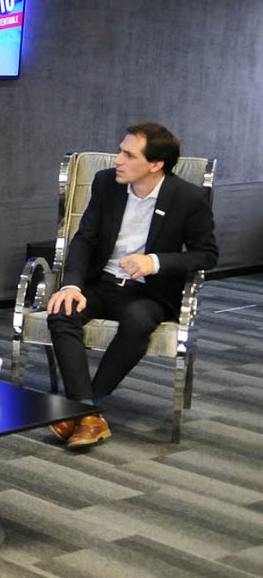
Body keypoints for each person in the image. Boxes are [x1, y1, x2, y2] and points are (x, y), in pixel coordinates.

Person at [46, 122, 217, 449]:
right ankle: (87, 412)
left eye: (128, 154)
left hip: (148, 291)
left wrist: (154, 262)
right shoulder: (106, 184)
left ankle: (83, 409)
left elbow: (207, 255)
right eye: (120, 151)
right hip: (102, 281)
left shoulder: (188, 198)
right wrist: (71, 285)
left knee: (139, 321)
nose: (117, 160)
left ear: (155, 164)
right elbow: (84, 239)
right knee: (62, 311)